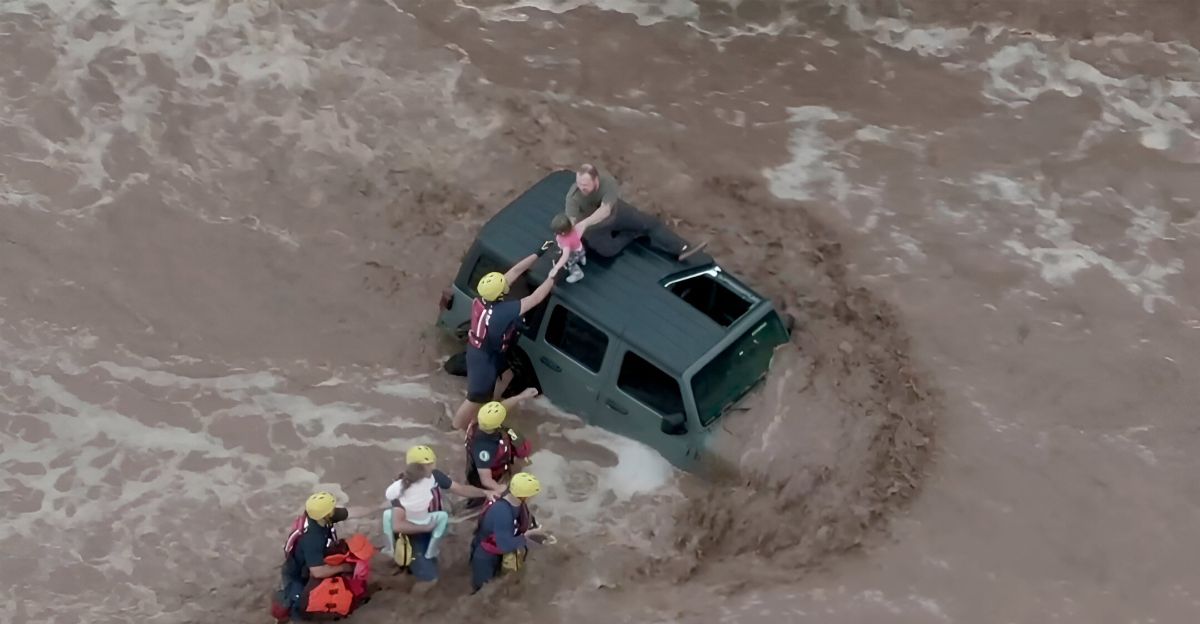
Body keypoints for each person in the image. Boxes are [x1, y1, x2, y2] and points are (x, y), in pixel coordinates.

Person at [451, 249, 568, 430]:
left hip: (485, 349)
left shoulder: (483, 298)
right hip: (483, 360)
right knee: (475, 396)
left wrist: (539, 253)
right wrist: (554, 276)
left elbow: (514, 272)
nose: (507, 285)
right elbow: (536, 298)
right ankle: (456, 428)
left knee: (507, 375)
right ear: (499, 295)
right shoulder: (502, 313)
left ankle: (491, 406)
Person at [383, 445, 499, 591]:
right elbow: (398, 525)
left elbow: (461, 489)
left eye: (431, 464)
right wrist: (425, 527)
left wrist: (485, 493)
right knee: (430, 580)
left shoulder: (435, 476)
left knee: (425, 562)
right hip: (412, 537)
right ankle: (412, 604)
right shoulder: (401, 490)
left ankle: (408, 570)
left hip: (429, 530)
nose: (430, 468)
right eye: (425, 466)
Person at [565, 163, 707, 261]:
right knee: (608, 252)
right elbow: (571, 220)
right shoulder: (573, 196)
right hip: (594, 230)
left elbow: (605, 210)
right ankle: (632, 234)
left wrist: (584, 224)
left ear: (596, 180)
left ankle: (681, 248)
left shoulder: (607, 183)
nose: (582, 188)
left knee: (651, 223)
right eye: (579, 184)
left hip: (614, 214)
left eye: (585, 185)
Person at [273, 492, 365, 622]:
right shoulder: (312, 538)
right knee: (300, 608)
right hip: (298, 574)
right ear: (325, 516)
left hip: (311, 561)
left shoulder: (317, 515)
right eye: (331, 510)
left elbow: (352, 512)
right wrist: (344, 567)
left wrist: (383, 505)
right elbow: (317, 572)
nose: (334, 511)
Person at [469, 472, 552, 592]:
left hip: (498, 549)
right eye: (533, 495)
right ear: (524, 497)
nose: (534, 497)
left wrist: (538, 533)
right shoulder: (502, 512)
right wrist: (527, 536)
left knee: (499, 584)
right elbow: (505, 545)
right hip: (485, 556)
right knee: (484, 592)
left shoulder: (516, 501)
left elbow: (525, 521)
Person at [464, 390, 539, 508]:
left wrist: (521, 396)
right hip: (484, 478)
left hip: (500, 468)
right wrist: (504, 490)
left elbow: (502, 407)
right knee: (478, 504)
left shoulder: (482, 419)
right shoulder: (484, 449)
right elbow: (486, 480)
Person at [551, 213, 587, 283]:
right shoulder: (572, 226)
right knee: (580, 254)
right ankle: (582, 259)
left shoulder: (566, 241)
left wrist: (556, 268)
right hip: (580, 248)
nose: (554, 234)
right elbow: (573, 219)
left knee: (571, 264)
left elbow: (565, 256)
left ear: (563, 233)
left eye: (556, 232)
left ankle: (578, 274)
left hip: (573, 253)